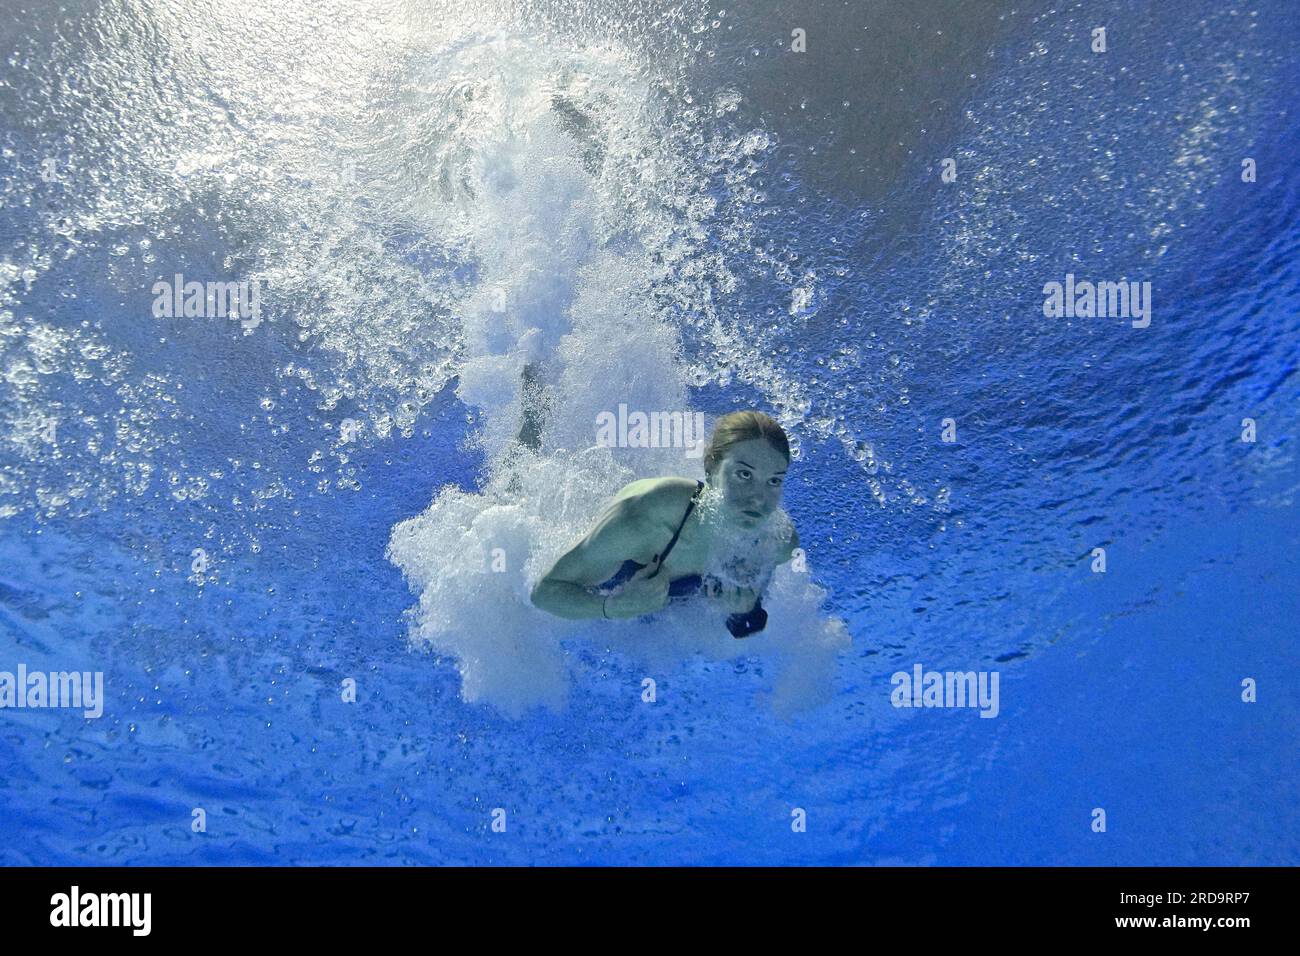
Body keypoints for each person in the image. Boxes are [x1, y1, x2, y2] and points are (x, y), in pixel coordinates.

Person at [529, 409, 799, 637]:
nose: (759, 499)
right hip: (568, 552)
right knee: (519, 487)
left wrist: (746, 610)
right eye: (744, 474)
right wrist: (612, 607)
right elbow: (543, 594)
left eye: (774, 481)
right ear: (711, 469)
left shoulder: (777, 542)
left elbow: (745, 627)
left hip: (642, 617)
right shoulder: (649, 519)